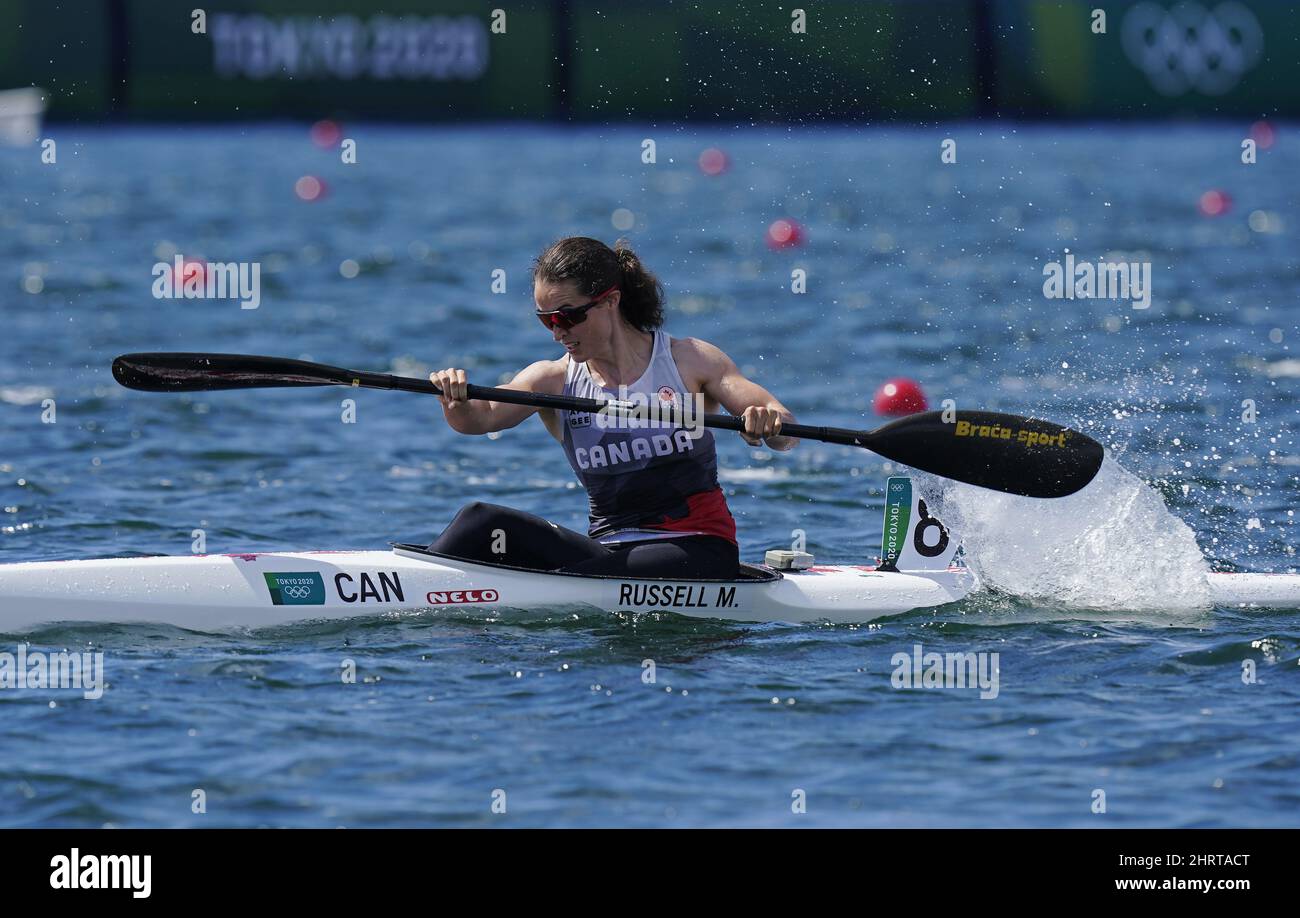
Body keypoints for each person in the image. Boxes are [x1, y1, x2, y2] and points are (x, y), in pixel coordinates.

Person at [427, 236, 796, 579]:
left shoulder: (690, 361)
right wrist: (454, 398)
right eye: (546, 320)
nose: (558, 332)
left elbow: (784, 429)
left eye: (567, 316)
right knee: (479, 520)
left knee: (590, 576)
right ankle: (415, 585)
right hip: (608, 552)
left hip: (699, 546)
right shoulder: (551, 380)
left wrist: (767, 423)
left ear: (610, 301)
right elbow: (480, 417)